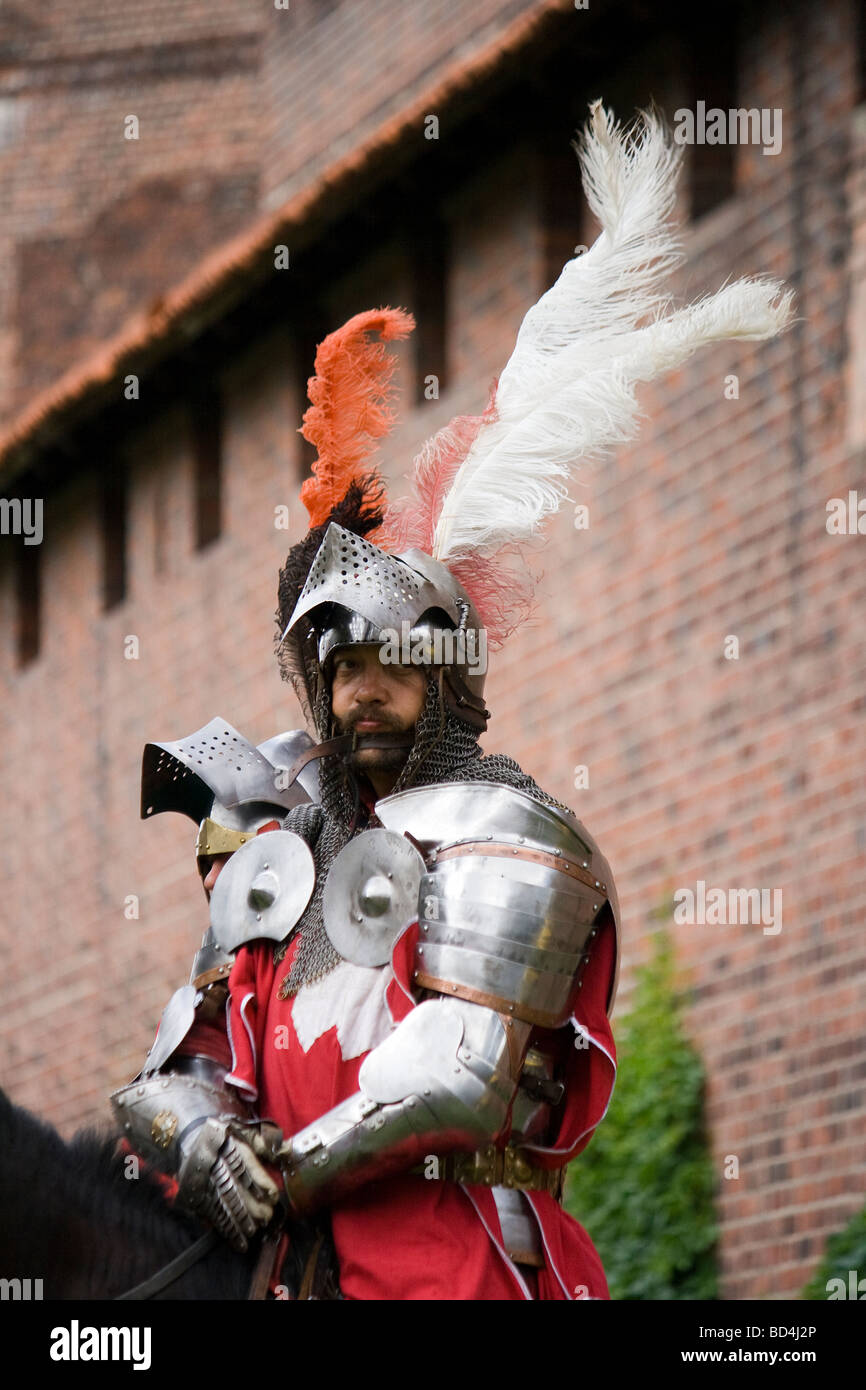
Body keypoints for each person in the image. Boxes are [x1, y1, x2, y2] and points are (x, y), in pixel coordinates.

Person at [112, 103, 792, 1300]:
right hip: (287, 1270)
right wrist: (201, 1134)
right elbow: (183, 1059)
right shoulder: (276, 846)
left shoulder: (511, 833)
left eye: (386, 667)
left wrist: (280, 1165)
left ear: (445, 676)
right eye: (336, 670)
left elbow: (458, 1076)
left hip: (459, 1265)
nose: (359, 693)